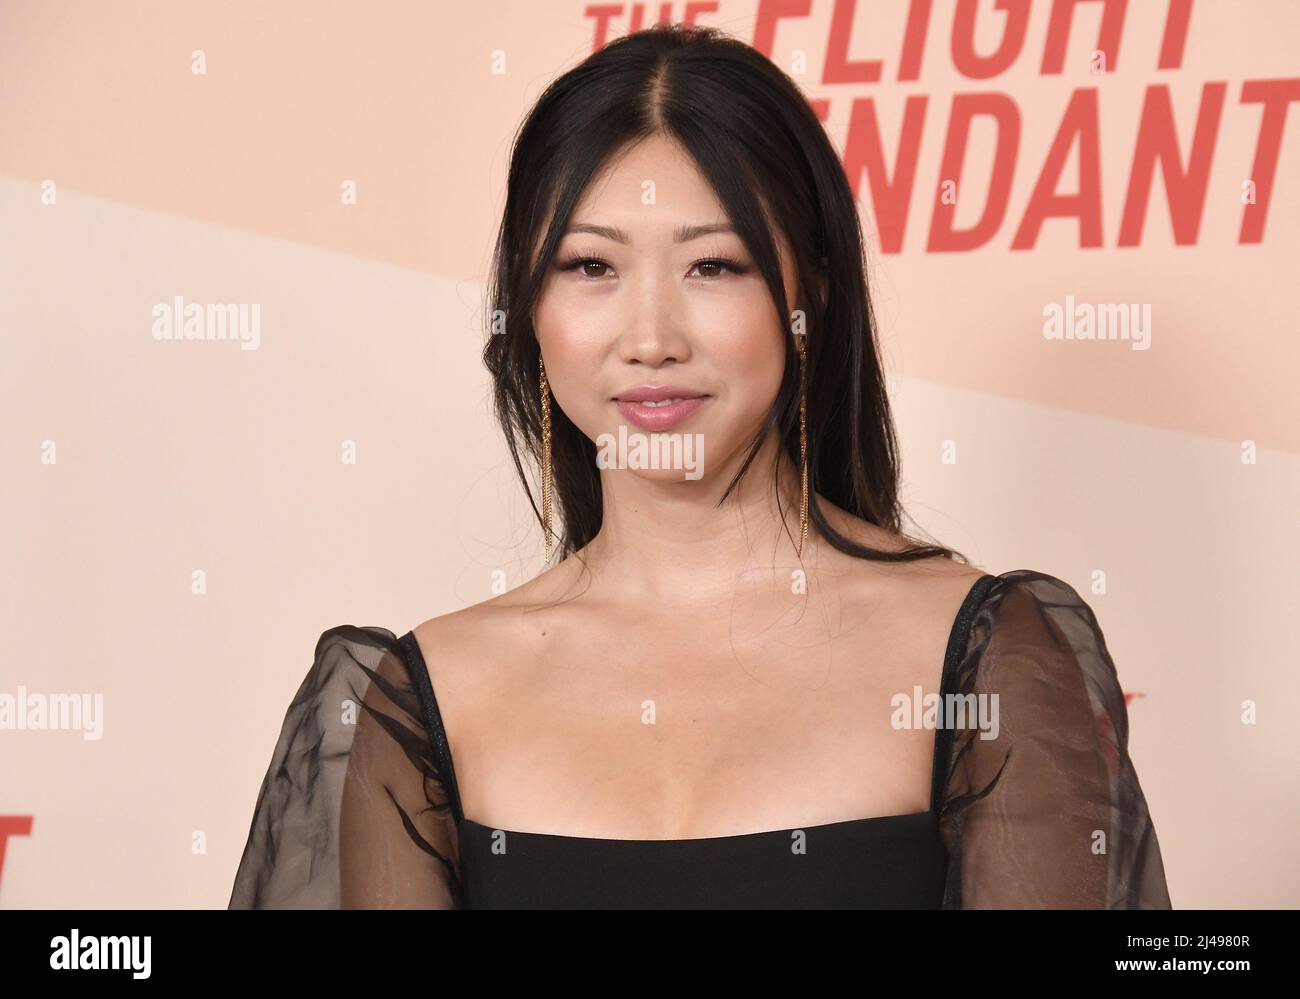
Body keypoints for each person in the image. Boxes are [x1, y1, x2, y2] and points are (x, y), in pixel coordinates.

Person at [228, 23, 1171, 909]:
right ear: (527, 301)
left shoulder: (980, 660)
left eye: (713, 267)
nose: (650, 338)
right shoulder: (418, 700)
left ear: (813, 288)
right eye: (589, 267)